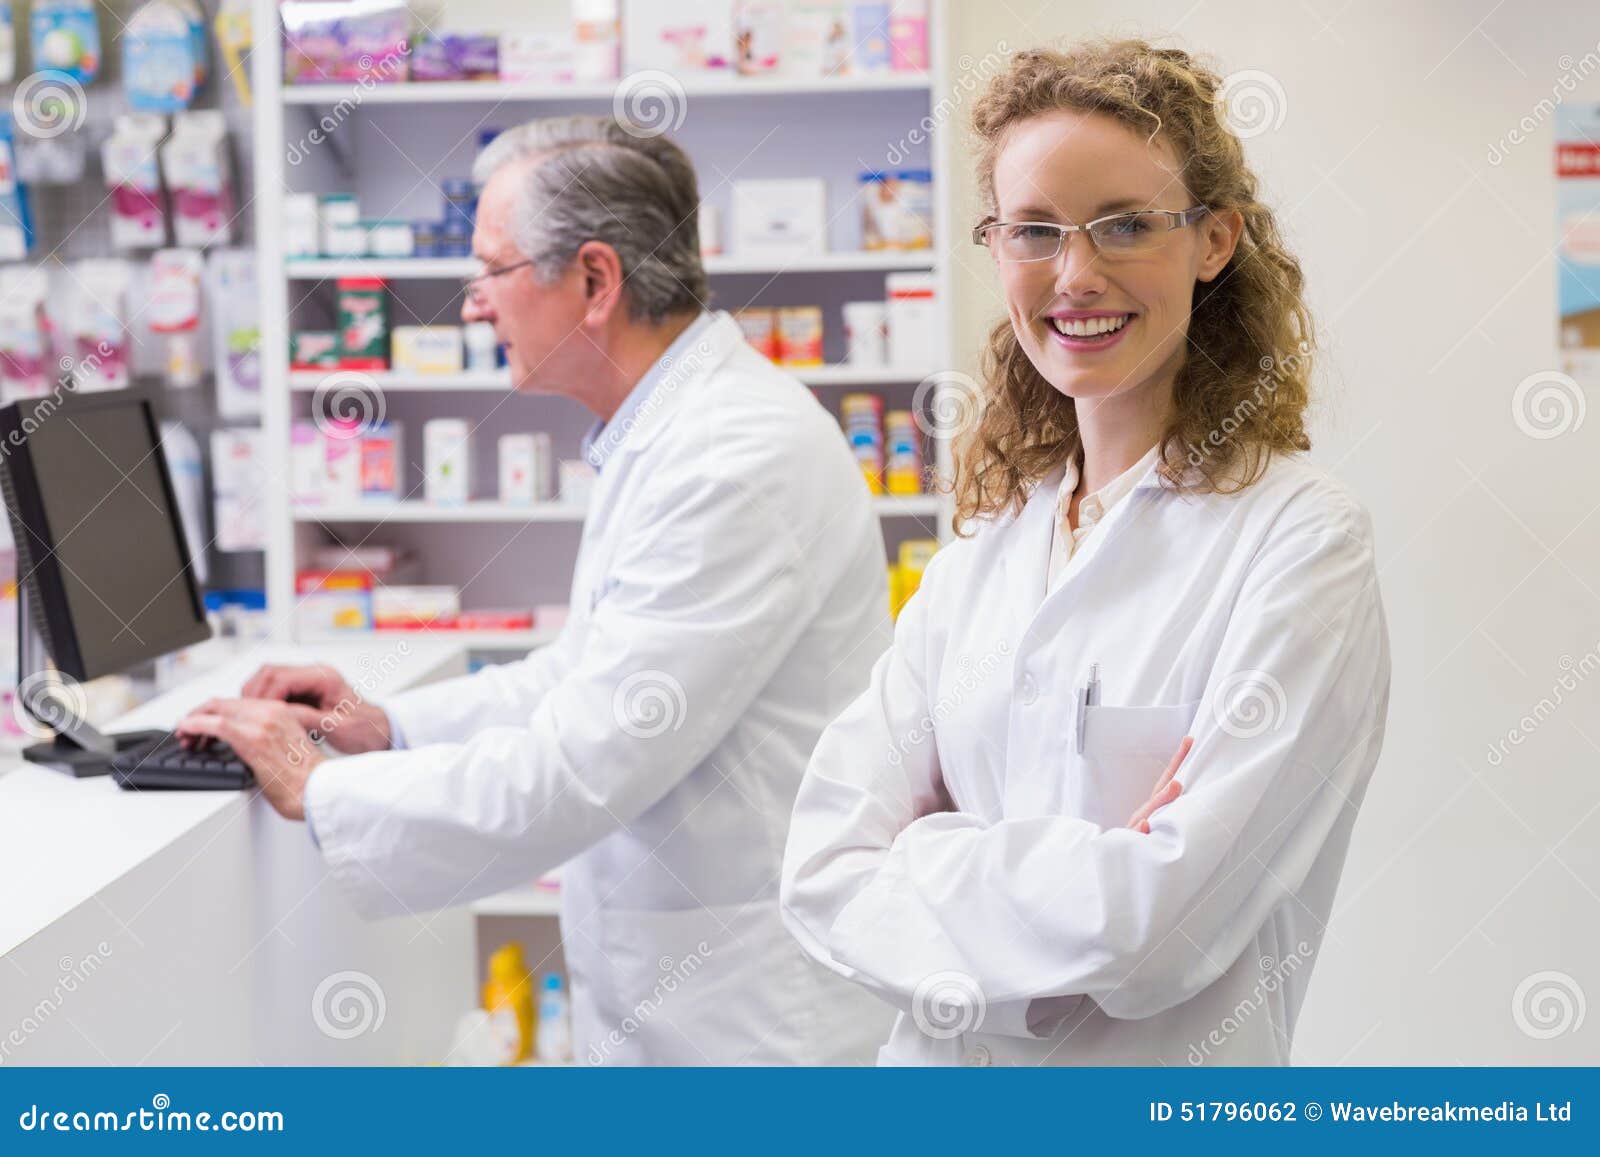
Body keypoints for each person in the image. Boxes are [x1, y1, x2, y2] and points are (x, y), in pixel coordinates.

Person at [178, 116, 896, 1065]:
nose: (473, 306)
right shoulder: (670, 429)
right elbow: (582, 676)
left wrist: (329, 790)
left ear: (595, 281)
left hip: (756, 1025)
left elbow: (581, 765)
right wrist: (383, 728)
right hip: (697, 995)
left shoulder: (731, 458)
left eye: (491, 270)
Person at [780, 40, 1391, 1066]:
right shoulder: (983, 549)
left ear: (1213, 241)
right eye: (1034, 230)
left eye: (1125, 225)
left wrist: (932, 857)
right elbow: (822, 871)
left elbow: (1159, 933)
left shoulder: (1299, 544)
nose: (1075, 274)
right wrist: (1088, 879)